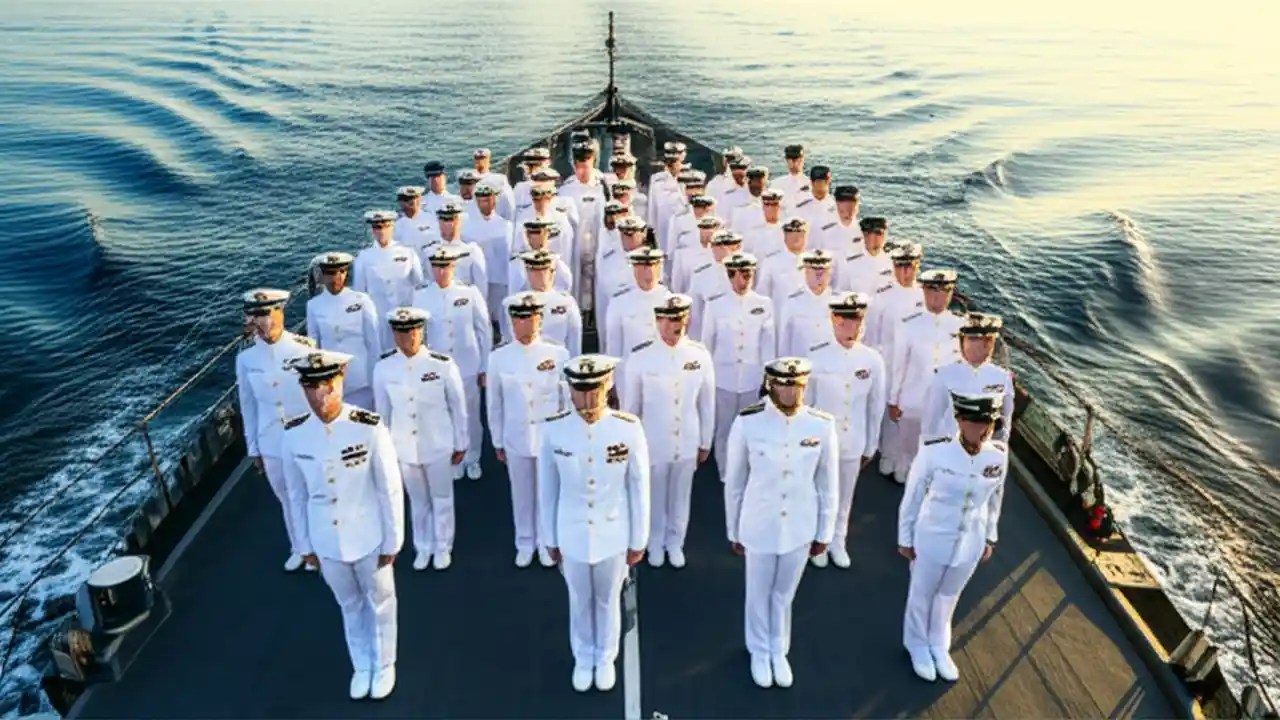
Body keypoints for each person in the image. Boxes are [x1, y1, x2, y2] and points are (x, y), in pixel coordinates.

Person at [280, 350, 405, 701]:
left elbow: (388, 487)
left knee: (380, 602)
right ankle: (362, 665)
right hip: (326, 540)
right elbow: (297, 495)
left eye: (327, 385)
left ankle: (385, 664)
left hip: (369, 535)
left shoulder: (366, 426)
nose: (321, 395)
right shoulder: (294, 434)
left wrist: (393, 541)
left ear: (340, 381)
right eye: (311, 387)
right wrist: (305, 546)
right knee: (349, 605)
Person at [538, 354, 650, 693]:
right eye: (580, 391)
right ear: (570, 391)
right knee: (579, 599)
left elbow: (638, 486)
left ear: (608, 386)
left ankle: (605, 657)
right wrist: (550, 538)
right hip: (571, 531)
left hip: (613, 532)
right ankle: (583, 655)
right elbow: (547, 489)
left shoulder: (627, 428)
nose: (588, 399)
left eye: (595, 390)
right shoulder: (555, 429)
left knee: (607, 598)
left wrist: (638, 539)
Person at [723, 357, 838, 689]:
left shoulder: (821, 424)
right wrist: (734, 529)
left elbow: (828, 485)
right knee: (759, 593)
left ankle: (779, 649)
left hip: (800, 525)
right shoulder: (748, 423)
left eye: (798, 384)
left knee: (784, 593)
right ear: (770, 384)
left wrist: (825, 531)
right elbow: (735, 483)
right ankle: (760, 650)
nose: (791, 391)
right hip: (759, 523)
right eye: (785, 384)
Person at [897, 391, 1009, 683]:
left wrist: (990, 536)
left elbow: (995, 498)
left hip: (970, 541)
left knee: (949, 596)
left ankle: (938, 644)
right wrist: (905, 538)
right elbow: (913, 497)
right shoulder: (935, 451)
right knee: (922, 595)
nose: (983, 429)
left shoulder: (997, 455)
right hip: (933, 536)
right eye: (975, 422)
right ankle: (917, 645)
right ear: (960, 420)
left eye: (989, 422)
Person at [621, 294, 714, 568]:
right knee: (655, 492)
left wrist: (705, 441)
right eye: (668, 320)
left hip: (686, 437)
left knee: (681, 494)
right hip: (654, 439)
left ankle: (675, 541)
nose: (674, 326)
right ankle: (655, 542)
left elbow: (706, 404)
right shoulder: (641, 357)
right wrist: (631, 445)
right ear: (658, 321)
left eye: (680, 320)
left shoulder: (698, 355)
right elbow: (632, 409)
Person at [372, 307, 468, 571]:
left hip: (438, 442)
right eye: (402, 332)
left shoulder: (442, 364)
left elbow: (457, 408)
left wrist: (461, 442)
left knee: (442, 497)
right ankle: (423, 546)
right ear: (394, 334)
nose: (409, 337)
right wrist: (386, 451)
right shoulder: (383, 368)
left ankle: (443, 546)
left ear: (422, 331)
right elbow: (383, 415)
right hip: (404, 447)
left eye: (414, 330)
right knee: (418, 500)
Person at [486, 293, 571, 568]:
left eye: (530, 317)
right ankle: (524, 541)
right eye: (519, 318)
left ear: (540, 319)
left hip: (548, 438)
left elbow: (565, 400)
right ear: (511, 321)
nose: (525, 324)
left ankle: (547, 541)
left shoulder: (558, 354)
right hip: (516, 436)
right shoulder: (499, 358)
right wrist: (498, 440)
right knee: (521, 494)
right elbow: (494, 404)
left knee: (548, 493)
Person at [236, 288, 317, 573]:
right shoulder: (246, 360)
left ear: (280, 312)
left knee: (310, 492)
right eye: (255, 315)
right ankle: (299, 546)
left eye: (266, 314)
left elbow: (316, 395)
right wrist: (253, 447)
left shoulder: (304, 349)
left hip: (304, 434)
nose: (261, 321)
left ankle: (318, 545)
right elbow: (248, 406)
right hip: (271, 439)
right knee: (286, 496)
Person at [806, 292, 886, 568]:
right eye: (845, 322)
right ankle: (817, 541)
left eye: (857, 321)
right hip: (823, 441)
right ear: (833, 320)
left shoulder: (873, 360)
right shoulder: (816, 356)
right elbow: (807, 405)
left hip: (854, 439)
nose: (852, 328)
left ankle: (838, 540)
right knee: (820, 492)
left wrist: (871, 445)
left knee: (844, 495)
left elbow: (876, 407)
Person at [410, 246, 492, 481]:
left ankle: (473, 457)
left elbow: (483, 330)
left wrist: (484, 366)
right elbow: (419, 336)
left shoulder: (469, 293)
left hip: (468, 364)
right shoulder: (421, 296)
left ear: (453, 267)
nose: (441, 271)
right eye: (436, 266)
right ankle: (453, 457)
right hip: (438, 368)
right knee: (444, 414)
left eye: (445, 266)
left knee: (470, 414)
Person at [886, 269, 964, 483]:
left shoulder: (961, 326)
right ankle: (905, 465)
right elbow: (898, 366)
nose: (937, 297)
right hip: (913, 398)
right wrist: (894, 400)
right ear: (924, 292)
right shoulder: (908, 324)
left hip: (945, 402)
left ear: (951, 294)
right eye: (932, 291)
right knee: (908, 447)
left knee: (938, 444)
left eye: (944, 291)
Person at [701, 251, 774, 479]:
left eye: (749, 274)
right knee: (723, 429)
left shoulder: (764, 304)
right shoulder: (716, 305)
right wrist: (708, 377)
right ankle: (725, 471)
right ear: (730, 276)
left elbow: (768, 343)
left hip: (751, 378)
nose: (745, 279)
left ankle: (748, 471)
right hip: (724, 377)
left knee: (751, 428)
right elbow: (707, 344)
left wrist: (768, 376)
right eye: (741, 274)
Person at [921, 313, 1014, 440]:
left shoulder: (1002, 378)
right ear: (961, 342)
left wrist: (997, 449)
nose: (983, 346)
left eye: (989, 340)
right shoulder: (944, 376)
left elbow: (1005, 422)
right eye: (973, 339)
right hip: (950, 448)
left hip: (986, 451)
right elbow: (931, 422)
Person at [306, 252, 381, 410]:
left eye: (342, 271)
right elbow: (314, 346)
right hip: (332, 382)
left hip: (361, 380)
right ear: (323, 275)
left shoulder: (361, 301)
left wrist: (375, 378)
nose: (337, 277)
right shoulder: (314, 305)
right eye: (331, 273)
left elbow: (373, 343)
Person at [352, 210, 424, 352]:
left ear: (392, 227)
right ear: (372, 230)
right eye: (377, 227)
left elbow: (420, 286)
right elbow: (359, 295)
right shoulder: (364, 258)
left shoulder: (407, 252)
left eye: (385, 226)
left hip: (406, 319)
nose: (381, 231)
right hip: (380, 321)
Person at [604, 246, 669, 394]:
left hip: (662, 379)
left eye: (654, 266)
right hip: (629, 380)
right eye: (643, 267)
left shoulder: (668, 300)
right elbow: (614, 349)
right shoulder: (619, 302)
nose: (649, 272)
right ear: (633, 268)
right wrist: (612, 384)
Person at [500, 250, 583, 356]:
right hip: (523, 360)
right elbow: (507, 338)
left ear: (552, 272)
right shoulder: (512, 303)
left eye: (544, 270)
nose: (540, 275)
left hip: (557, 361)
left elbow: (574, 341)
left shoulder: (566, 303)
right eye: (534, 270)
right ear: (527, 272)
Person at [462, 183, 513, 321]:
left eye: (488, 199)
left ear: (494, 200)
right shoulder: (468, 228)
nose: (485, 204)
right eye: (481, 200)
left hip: (500, 280)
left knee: (502, 317)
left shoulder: (506, 226)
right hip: (478, 280)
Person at [777, 247, 836, 358]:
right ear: (806, 271)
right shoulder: (792, 303)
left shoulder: (838, 303)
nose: (819, 275)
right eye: (814, 270)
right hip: (801, 370)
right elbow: (784, 345)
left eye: (823, 270)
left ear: (830, 272)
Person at [424, 202, 488, 289]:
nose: (448, 224)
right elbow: (428, 285)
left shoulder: (471, 251)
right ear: (438, 222)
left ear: (460, 221)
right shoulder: (429, 252)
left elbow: (481, 285)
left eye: (452, 219)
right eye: (444, 219)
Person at [837, 216, 893, 297]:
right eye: (878, 233)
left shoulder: (891, 262)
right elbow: (839, 292)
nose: (881, 237)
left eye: (881, 233)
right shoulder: (849, 262)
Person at [393, 186, 435, 262]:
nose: (412, 202)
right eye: (407, 200)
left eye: (414, 198)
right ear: (400, 202)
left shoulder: (432, 219)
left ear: (420, 199)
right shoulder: (394, 224)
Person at [472, 148, 516, 220]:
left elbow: (509, 203)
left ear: (489, 161)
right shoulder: (469, 179)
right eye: (477, 159)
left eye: (483, 159)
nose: (480, 162)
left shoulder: (500, 179)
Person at [769, 144, 810, 208]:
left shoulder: (813, 185)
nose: (795, 162)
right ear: (786, 160)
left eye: (798, 158)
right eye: (791, 158)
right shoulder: (775, 185)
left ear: (803, 159)